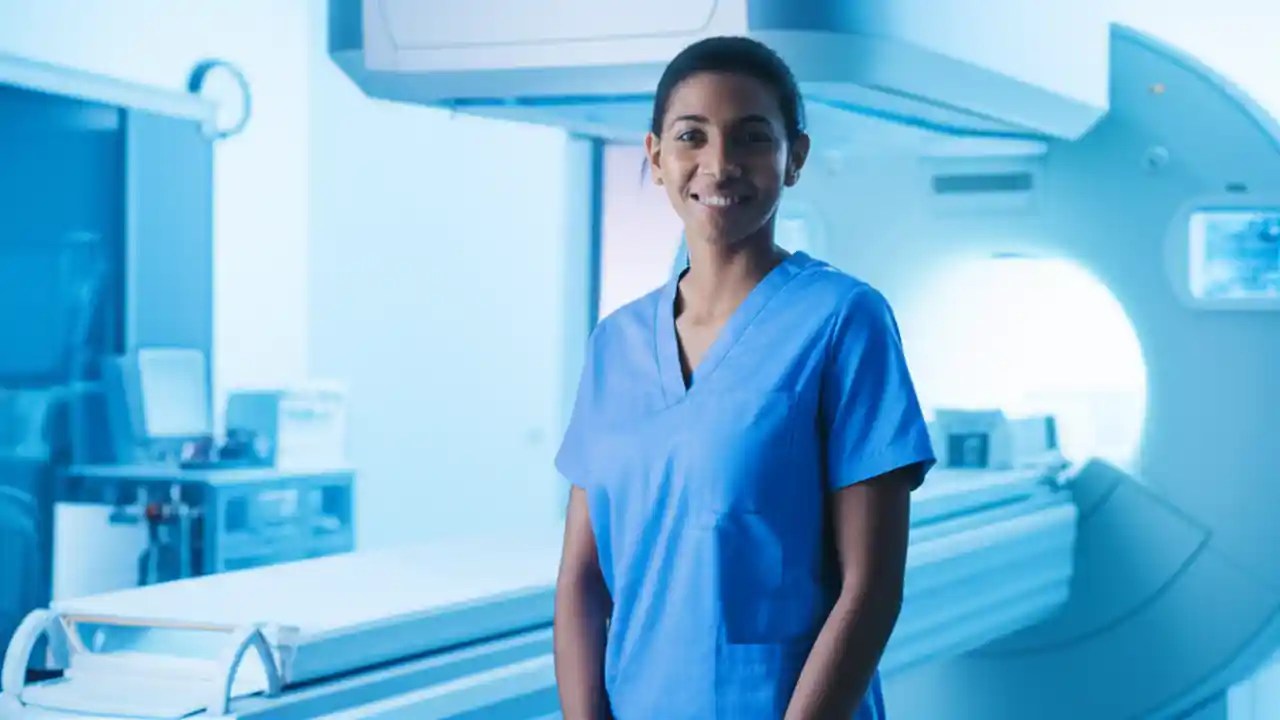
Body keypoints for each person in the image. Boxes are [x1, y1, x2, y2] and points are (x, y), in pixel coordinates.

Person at [552, 35, 936, 720]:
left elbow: (872, 588)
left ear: (796, 158)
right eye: (691, 136)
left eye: (752, 137)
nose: (720, 163)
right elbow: (582, 582)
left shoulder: (843, 320)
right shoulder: (616, 344)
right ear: (656, 157)